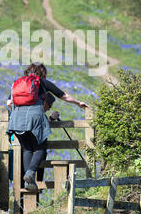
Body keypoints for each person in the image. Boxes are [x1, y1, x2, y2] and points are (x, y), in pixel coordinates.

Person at [6, 62, 89, 191]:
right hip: (35, 118)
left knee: (27, 149)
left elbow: (8, 102)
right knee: (41, 148)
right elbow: (63, 95)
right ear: (41, 73)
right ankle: (30, 173)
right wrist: (78, 103)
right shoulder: (41, 82)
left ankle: (29, 183)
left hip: (16, 119)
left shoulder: (16, 83)